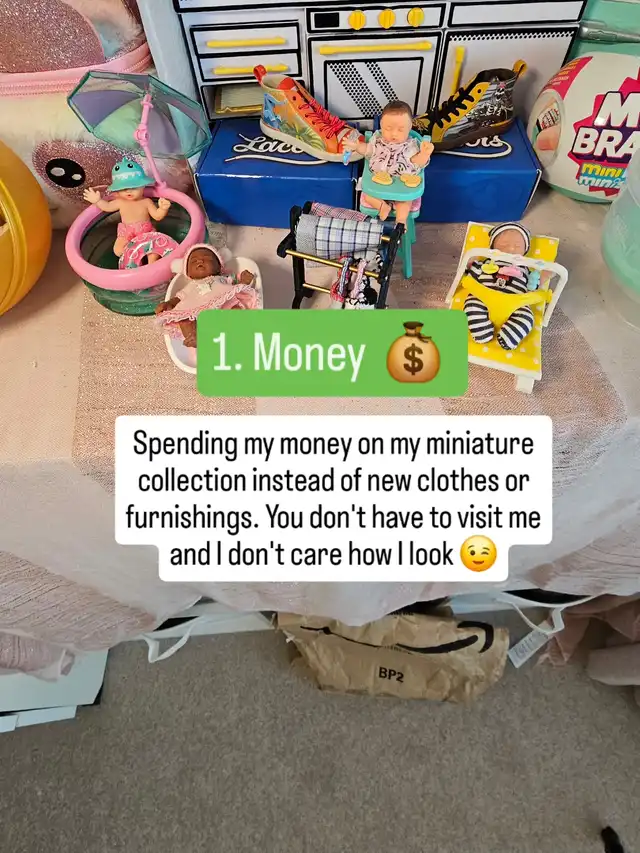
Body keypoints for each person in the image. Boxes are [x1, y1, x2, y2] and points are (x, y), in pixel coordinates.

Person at [343, 101, 434, 224]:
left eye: (401, 129)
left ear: (409, 128)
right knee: (368, 196)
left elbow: (417, 163)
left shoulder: (411, 146)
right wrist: (357, 146)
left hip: (402, 185)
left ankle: (401, 221)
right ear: (381, 125)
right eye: (388, 128)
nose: (394, 134)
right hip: (378, 182)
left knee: (405, 201)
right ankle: (382, 206)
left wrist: (424, 154)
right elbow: (367, 150)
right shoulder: (377, 141)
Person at [155, 245, 258, 348]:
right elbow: (179, 298)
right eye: (194, 261)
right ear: (188, 273)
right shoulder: (190, 286)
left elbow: (235, 288)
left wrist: (243, 281)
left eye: (207, 258)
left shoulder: (223, 278)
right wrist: (168, 304)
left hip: (223, 306)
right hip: (196, 314)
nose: (200, 261)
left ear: (219, 267)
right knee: (184, 320)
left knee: (235, 310)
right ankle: (197, 339)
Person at [83, 158, 172, 264]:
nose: (128, 191)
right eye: (123, 188)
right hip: (126, 233)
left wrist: (163, 208)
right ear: (117, 190)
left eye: (134, 187)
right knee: (118, 250)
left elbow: (157, 216)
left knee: (154, 248)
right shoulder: (120, 202)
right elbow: (107, 207)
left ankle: (151, 263)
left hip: (146, 232)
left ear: (143, 185)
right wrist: (97, 201)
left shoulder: (146, 202)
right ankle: (134, 261)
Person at [464, 222, 536, 351]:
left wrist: (544, 276)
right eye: (504, 245)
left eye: (517, 246)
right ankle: (482, 332)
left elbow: (532, 287)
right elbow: (471, 273)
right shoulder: (488, 262)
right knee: (472, 304)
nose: (511, 248)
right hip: (484, 296)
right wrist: (470, 263)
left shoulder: (526, 269)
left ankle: (509, 336)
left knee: (527, 317)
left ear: (525, 251)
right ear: (492, 247)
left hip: (515, 302)